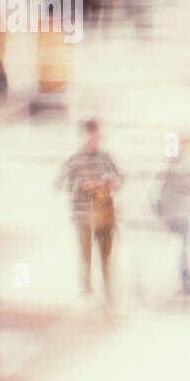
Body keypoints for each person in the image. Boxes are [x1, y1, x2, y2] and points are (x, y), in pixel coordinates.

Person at [55, 119, 123, 308]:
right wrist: (83, 185)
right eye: (92, 137)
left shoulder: (105, 157)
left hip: (104, 215)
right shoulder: (74, 160)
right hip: (83, 215)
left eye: (97, 137)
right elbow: (61, 184)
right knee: (86, 255)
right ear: (84, 136)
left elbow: (119, 178)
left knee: (106, 257)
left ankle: (108, 293)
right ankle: (87, 289)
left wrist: (109, 182)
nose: (95, 140)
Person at [154, 134, 190, 298]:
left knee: (185, 250)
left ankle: (187, 281)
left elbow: (163, 192)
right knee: (185, 250)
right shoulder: (182, 167)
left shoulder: (174, 166)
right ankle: (187, 282)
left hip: (181, 215)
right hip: (182, 216)